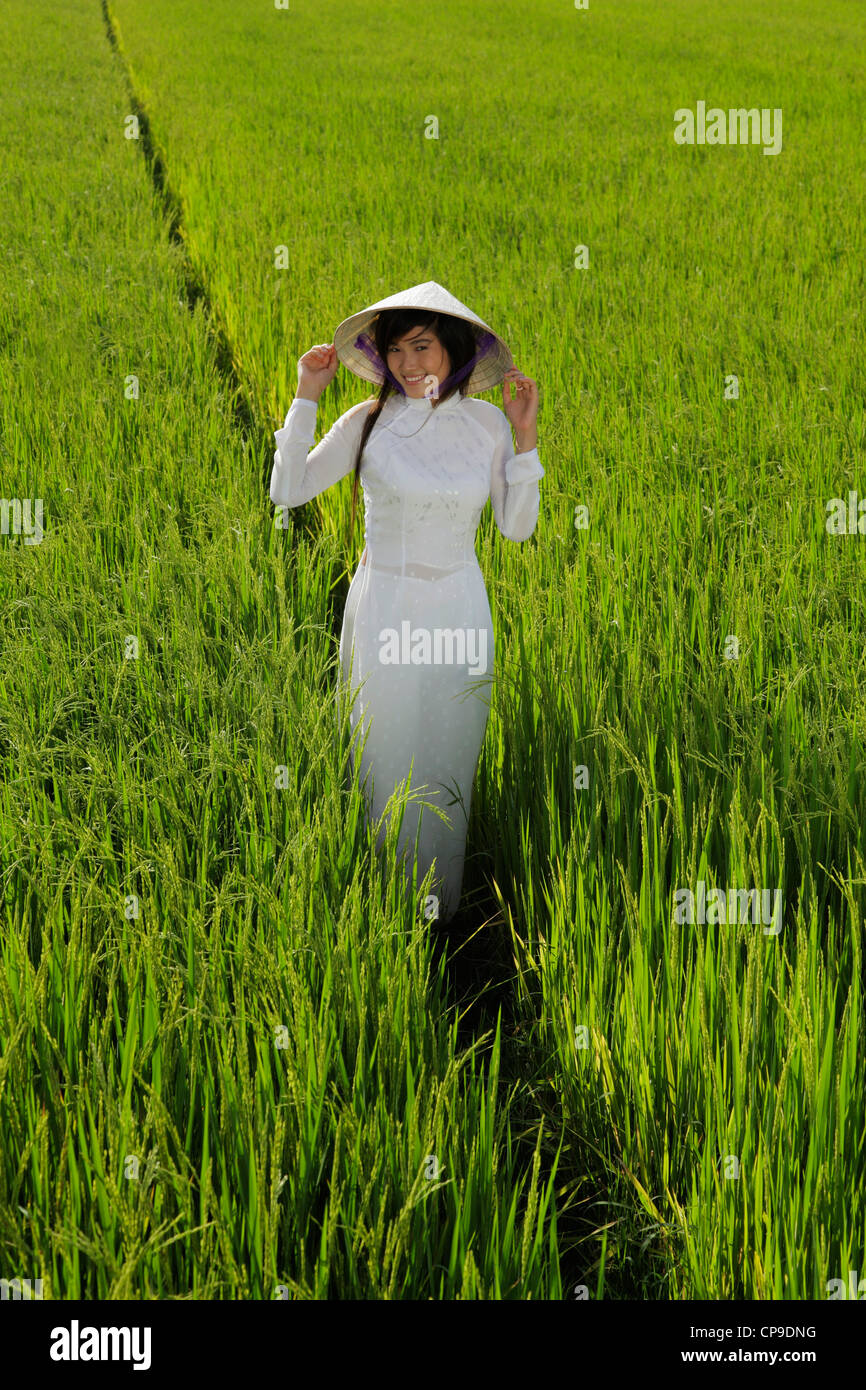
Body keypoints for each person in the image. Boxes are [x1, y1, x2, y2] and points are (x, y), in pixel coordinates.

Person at [270, 281, 543, 923]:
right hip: (385, 609)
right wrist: (306, 397)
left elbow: (517, 527)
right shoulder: (368, 421)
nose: (409, 363)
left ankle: (440, 915)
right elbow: (288, 491)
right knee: (383, 758)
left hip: (460, 611)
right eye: (396, 350)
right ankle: (382, 917)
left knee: (449, 759)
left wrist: (526, 439)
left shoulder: (488, 424)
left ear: (453, 350)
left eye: (423, 345)